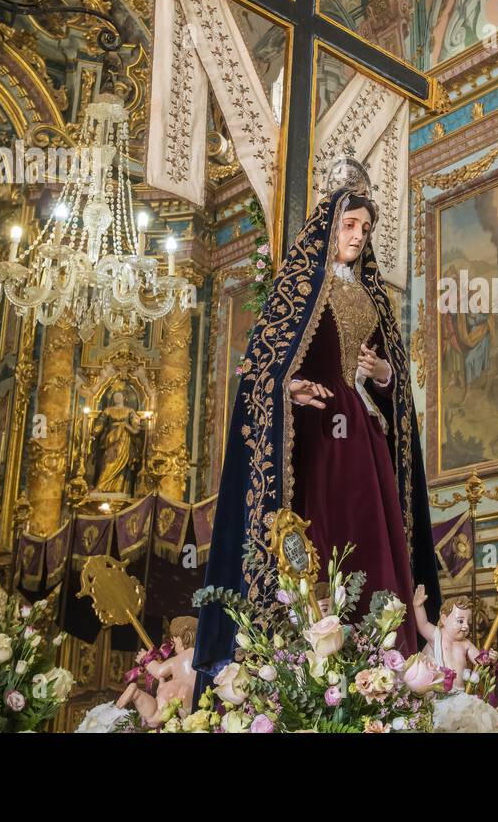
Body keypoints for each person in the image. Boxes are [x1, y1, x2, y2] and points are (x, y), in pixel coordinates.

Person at [194, 160, 441, 682]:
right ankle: (314, 667)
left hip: (365, 438)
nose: (357, 235)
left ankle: (384, 667)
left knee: (375, 541)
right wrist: (287, 389)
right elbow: (259, 372)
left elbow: (391, 381)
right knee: (322, 538)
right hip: (316, 441)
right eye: (350, 224)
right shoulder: (298, 291)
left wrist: (382, 375)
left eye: (365, 228)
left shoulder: (375, 296)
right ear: (330, 225)